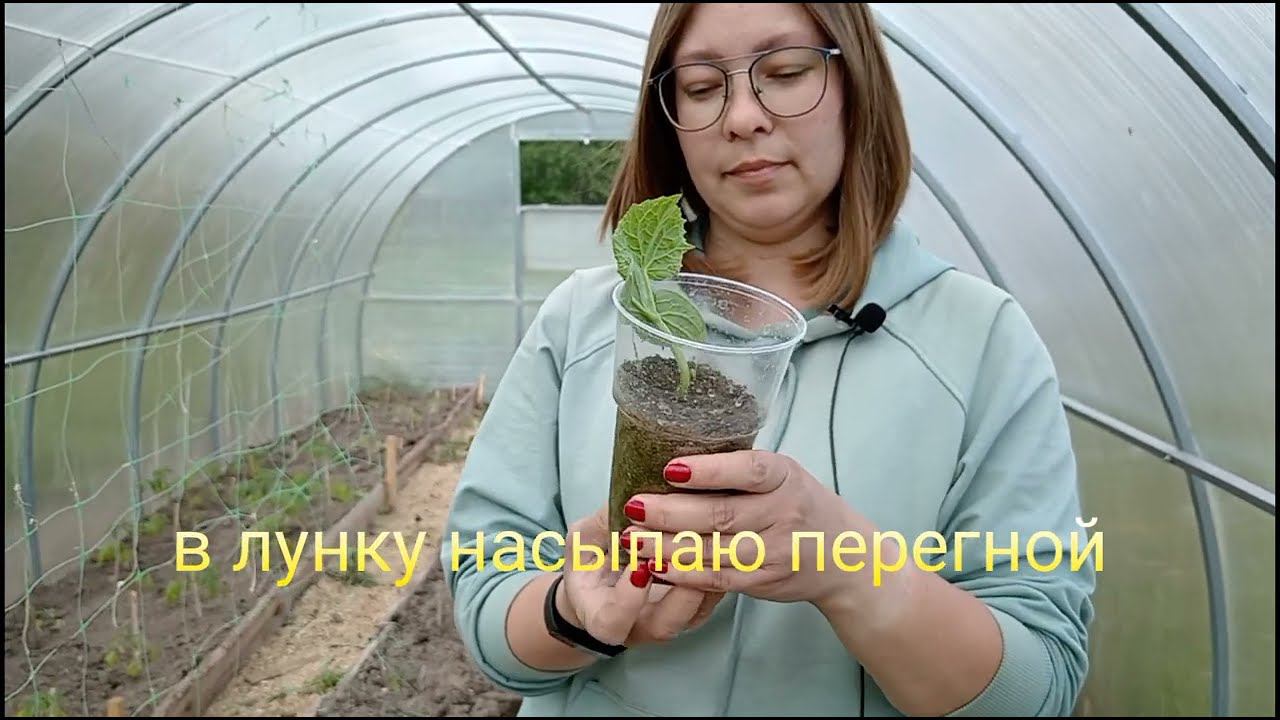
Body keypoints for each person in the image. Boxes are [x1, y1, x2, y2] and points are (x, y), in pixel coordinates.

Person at [441, 3, 1096, 716]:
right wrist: (571, 612)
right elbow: (488, 591)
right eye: (701, 87)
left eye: (785, 73)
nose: (743, 117)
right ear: (668, 118)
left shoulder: (980, 340)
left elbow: (1037, 687)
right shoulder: (589, 319)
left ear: (855, 86)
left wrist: (850, 569)